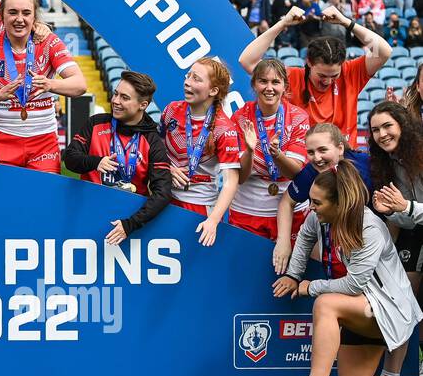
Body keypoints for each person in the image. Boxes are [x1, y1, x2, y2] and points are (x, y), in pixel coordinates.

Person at [270, 163, 423, 376]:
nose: (311, 207)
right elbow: (305, 235)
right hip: (360, 308)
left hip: (388, 310)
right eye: (311, 200)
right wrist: (293, 275)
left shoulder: (368, 226)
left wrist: (310, 287)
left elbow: (354, 285)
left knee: (325, 304)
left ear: (340, 204)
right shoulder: (319, 218)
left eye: (317, 203)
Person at [0, 0, 84, 171]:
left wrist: (50, 84)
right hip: (3, 139)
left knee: (45, 199)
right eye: (13, 12)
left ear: (34, 17)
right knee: (3, 200)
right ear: (1, 15)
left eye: (26, 13)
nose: (19, 19)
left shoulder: (49, 42)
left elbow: (79, 85)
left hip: (44, 142)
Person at [240, 6, 389, 143]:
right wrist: (283, 24)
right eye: (322, 76)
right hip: (304, 164)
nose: (328, 82)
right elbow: (247, 60)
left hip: (345, 166)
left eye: (334, 76)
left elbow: (384, 51)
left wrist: (346, 22)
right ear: (309, 63)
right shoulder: (292, 77)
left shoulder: (349, 73)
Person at [64, 69, 173, 244]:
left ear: (143, 105)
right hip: (87, 215)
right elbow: (69, 158)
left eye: (124, 97)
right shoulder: (96, 123)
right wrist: (95, 162)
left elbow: (163, 192)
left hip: (128, 223)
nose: (115, 101)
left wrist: (130, 225)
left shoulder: (152, 141)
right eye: (116, 94)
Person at [365, 101, 423, 376]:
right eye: (376, 129)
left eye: (388, 126)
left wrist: (406, 208)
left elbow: (409, 208)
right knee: (403, 296)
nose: (382, 134)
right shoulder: (386, 162)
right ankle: (393, 374)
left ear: (403, 125)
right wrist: (391, 212)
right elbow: (404, 217)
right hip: (415, 232)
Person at [157, 58, 242, 245]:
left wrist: (213, 220)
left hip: (199, 206)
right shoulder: (171, 110)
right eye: (188, 75)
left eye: (196, 78)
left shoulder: (224, 128)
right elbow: (156, 152)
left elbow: (231, 182)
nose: (187, 82)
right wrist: (168, 169)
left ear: (213, 91)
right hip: (162, 197)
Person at [274, 123, 372, 277]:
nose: (317, 158)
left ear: (340, 149)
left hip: (367, 236)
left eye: (323, 150)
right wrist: (283, 241)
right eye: (311, 152)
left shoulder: (365, 165)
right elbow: (286, 202)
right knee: (315, 253)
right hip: (336, 235)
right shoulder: (311, 171)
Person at [234, 59, 311, 240]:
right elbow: (241, 177)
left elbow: (294, 173)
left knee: (290, 267)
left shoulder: (298, 117)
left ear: (285, 86)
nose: (269, 88)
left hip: (292, 209)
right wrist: (249, 151)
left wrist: (276, 155)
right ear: (254, 85)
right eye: (263, 81)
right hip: (247, 211)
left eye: (275, 82)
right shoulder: (240, 117)